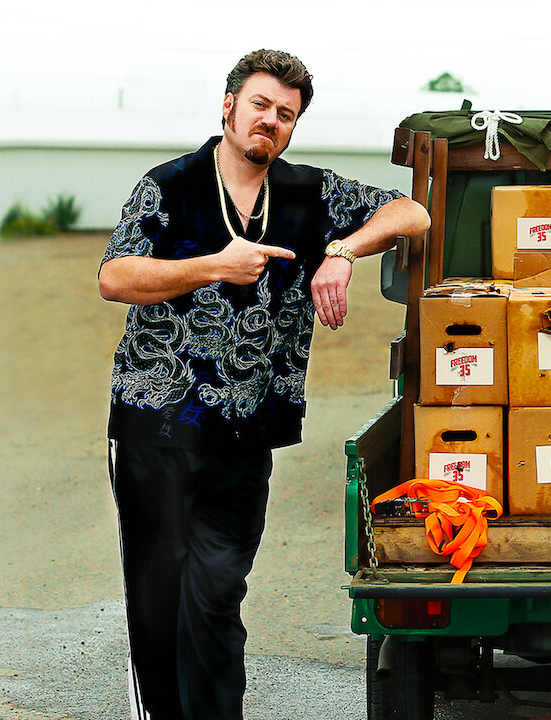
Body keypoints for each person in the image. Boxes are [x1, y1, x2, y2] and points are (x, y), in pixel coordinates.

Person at [98, 49, 430, 720]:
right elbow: (115, 276)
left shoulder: (309, 193)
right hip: (155, 424)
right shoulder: (170, 186)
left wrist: (341, 252)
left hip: (245, 433)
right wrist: (212, 266)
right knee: (160, 594)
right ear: (229, 106)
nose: (270, 122)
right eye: (260, 106)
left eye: (286, 114)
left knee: (219, 592)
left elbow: (412, 212)